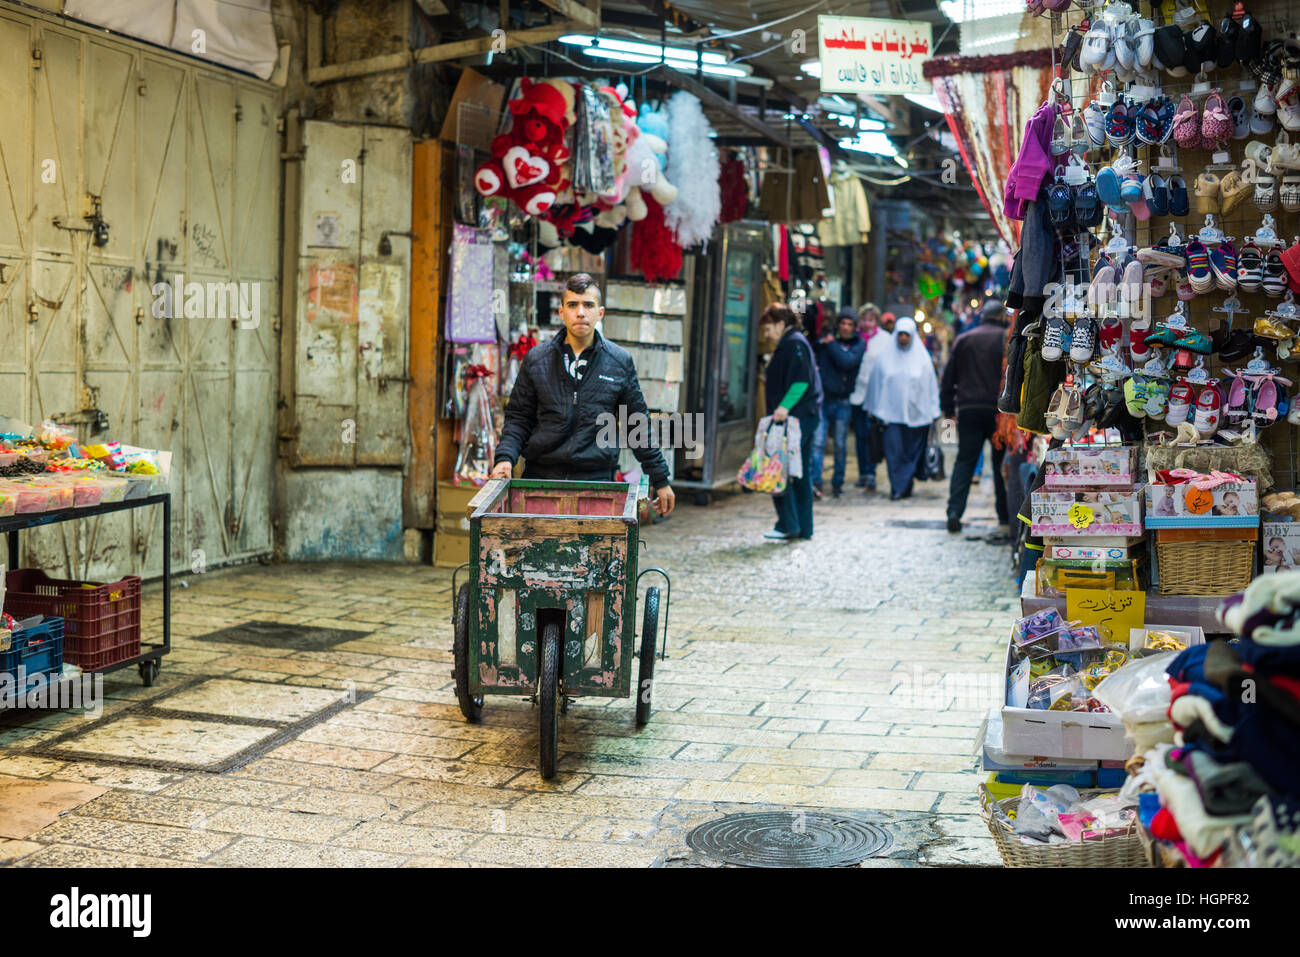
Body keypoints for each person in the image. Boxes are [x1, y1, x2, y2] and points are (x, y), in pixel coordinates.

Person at [490, 273, 675, 517]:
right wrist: (505, 458)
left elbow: (636, 425)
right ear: (561, 312)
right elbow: (518, 418)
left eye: (588, 305)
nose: (580, 312)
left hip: (597, 485)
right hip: (540, 482)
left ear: (600, 312)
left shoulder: (619, 363)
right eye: (573, 305)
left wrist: (660, 479)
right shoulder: (537, 360)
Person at [940, 299, 1011, 534]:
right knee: (1000, 465)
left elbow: (948, 379)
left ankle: (954, 512)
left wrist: (948, 411)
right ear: (1002, 317)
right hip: (998, 412)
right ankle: (1004, 517)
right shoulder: (1006, 339)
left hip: (969, 409)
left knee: (965, 461)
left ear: (982, 317)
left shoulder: (964, 340)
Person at [760, 304, 822, 540]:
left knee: (781, 468)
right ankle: (802, 527)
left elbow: (801, 380)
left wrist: (784, 407)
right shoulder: (794, 342)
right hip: (803, 417)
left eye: (768, 329)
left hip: (797, 417)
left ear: (779, 323)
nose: (766, 335)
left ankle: (788, 524)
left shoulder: (793, 343)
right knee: (800, 472)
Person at [863, 316, 941, 500]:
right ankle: (897, 487)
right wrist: (874, 410)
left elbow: (930, 386)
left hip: (917, 417)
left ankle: (906, 483)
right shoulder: (884, 358)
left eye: (907, 335)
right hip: (890, 417)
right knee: (894, 454)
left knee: (912, 453)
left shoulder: (923, 360)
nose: (903, 338)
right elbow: (875, 385)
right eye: (900, 335)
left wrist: (934, 411)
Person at [810, 308, 866, 497]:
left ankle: (837, 482)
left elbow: (847, 362)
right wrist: (823, 343)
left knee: (840, 444)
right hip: (824, 399)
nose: (845, 327)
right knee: (818, 442)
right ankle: (815, 481)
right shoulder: (826, 340)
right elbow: (813, 351)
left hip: (843, 401)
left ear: (854, 327)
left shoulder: (858, 344)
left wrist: (831, 344)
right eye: (843, 323)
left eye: (850, 324)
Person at [849, 308, 893, 491]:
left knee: (871, 434)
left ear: (876, 321)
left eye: (871, 319)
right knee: (859, 435)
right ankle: (862, 473)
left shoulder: (884, 339)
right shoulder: (854, 338)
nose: (867, 323)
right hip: (857, 394)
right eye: (864, 320)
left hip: (875, 395)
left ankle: (871, 472)